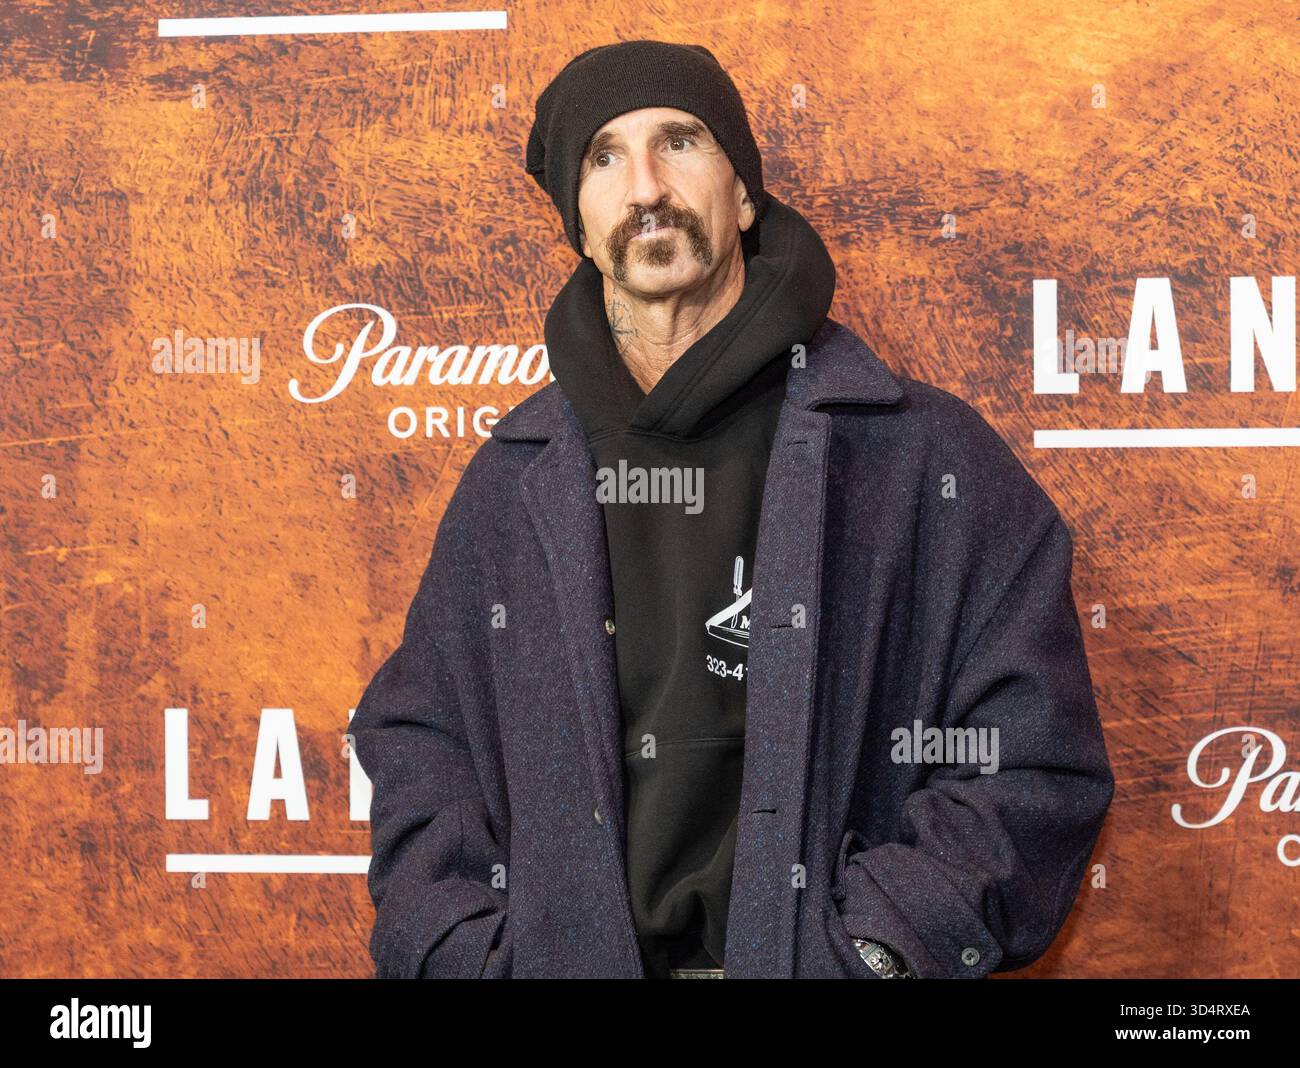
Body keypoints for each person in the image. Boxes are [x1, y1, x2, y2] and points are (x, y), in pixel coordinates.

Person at [349, 39, 1114, 979]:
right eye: (603, 157)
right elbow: (420, 740)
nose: (644, 188)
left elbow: (1032, 760)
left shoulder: (919, 454)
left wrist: (878, 951)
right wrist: (470, 953)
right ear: (579, 225)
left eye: (679, 141)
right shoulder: (513, 484)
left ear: (743, 194)